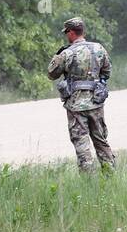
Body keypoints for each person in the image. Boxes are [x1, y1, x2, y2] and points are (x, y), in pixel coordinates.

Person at [47, 17, 115, 171]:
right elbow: (107, 71)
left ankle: (88, 181)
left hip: (76, 105)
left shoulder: (67, 53)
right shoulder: (98, 48)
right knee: (101, 140)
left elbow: (51, 74)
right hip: (96, 102)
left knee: (81, 143)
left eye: (67, 33)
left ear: (71, 33)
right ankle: (110, 175)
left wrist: (57, 57)